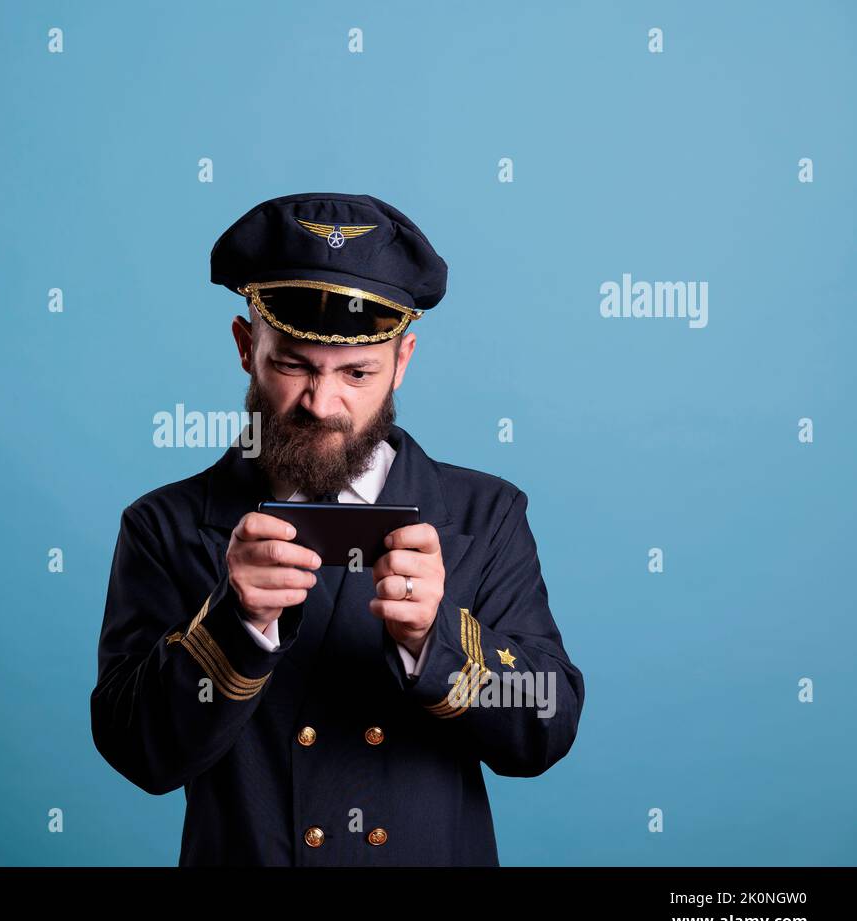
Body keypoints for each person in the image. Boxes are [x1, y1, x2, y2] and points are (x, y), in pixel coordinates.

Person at [90, 192, 585, 865]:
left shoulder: (486, 514)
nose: (323, 404)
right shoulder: (165, 524)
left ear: (402, 361)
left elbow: (545, 729)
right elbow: (138, 753)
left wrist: (433, 641)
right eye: (292, 365)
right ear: (245, 347)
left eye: (358, 373)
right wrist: (234, 624)